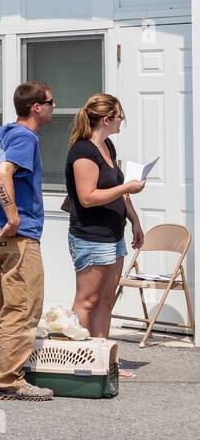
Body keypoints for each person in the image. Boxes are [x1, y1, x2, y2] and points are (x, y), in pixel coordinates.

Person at [0, 81, 56, 401]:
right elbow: (3, 173)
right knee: (23, 308)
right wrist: (13, 216)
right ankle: (9, 380)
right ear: (36, 107)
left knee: (4, 307)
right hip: (16, 238)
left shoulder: (0, 133)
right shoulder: (25, 137)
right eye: (50, 102)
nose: (53, 107)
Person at [65, 94, 146, 354]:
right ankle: (75, 356)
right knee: (87, 300)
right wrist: (127, 186)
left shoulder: (107, 146)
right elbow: (87, 198)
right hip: (91, 236)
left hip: (113, 235)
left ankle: (101, 358)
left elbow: (117, 190)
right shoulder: (83, 151)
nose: (122, 121)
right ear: (106, 119)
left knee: (106, 300)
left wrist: (133, 219)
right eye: (121, 116)